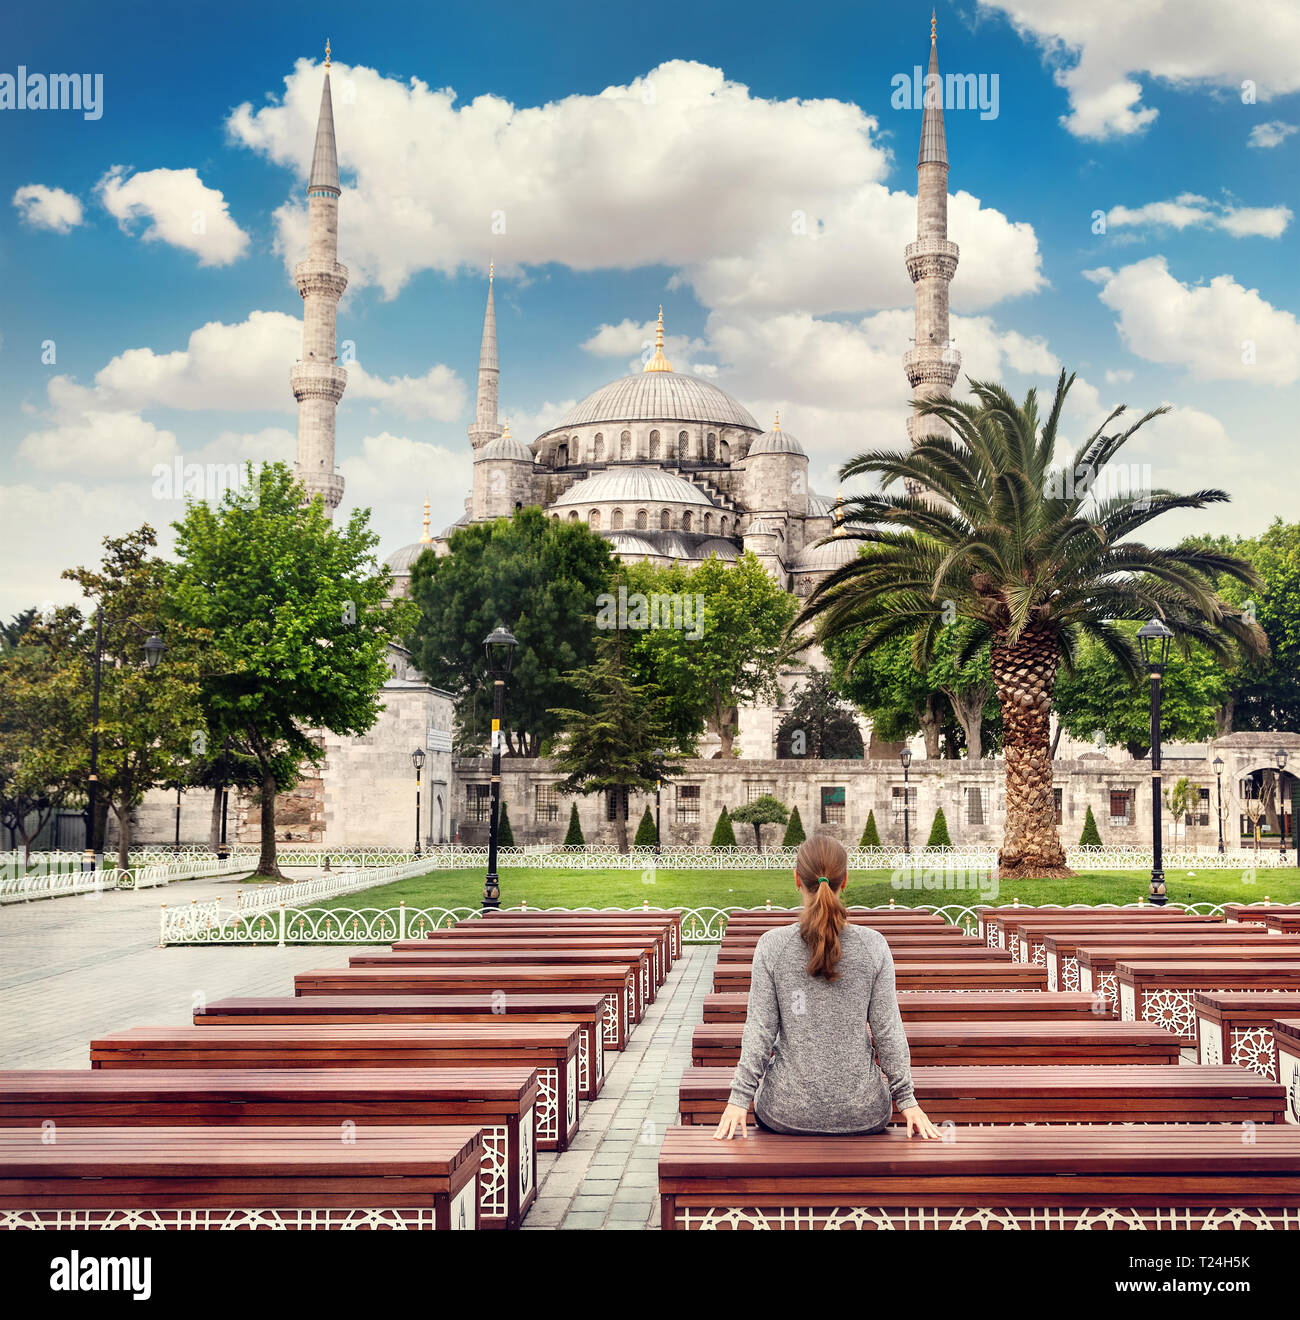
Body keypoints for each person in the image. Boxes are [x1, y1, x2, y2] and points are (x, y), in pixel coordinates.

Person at [713, 833, 941, 1140]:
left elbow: (760, 1031)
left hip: (785, 1111)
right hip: (864, 1113)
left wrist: (739, 1099)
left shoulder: (772, 946)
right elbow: (887, 1031)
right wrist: (907, 1100)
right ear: (844, 881)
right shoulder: (873, 946)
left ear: (796, 879)